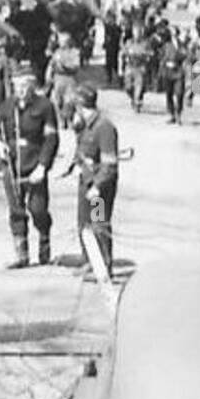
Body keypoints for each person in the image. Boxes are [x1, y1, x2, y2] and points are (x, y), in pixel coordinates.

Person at [0, 62, 60, 267]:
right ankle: (21, 254)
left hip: (35, 163)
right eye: (17, 86)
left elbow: (51, 139)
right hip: (12, 164)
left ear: (32, 86)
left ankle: (46, 239)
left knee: (38, 208)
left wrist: (43, 165)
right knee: (16, 209)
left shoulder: (44, 106)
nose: (20, 91)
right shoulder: (7, 106)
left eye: (24, 86)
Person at [71, 86, 120, 279]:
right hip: (86, 179)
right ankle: (89, 261)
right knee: (83, 222)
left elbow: (110, 164)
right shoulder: (84, 125)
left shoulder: (104, 127)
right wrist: (76, 165)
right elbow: (82, 150)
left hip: (99, 186)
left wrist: (97, 186)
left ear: (80, 106)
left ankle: (104, 266)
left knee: (98, 223)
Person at [48, 27, 82, 128]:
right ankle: (61, 120)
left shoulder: (75, 52)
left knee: (70, 101)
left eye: (63, 40)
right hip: (58, 78)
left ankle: (69, 118)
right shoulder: (57, 52)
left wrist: (65, 66)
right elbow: (52, 64)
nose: (61, 42)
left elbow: (76, 66)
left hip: (69, 78)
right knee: (57, 101)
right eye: (60, 40)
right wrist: (49, 74)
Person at [123, 25, 151, 113]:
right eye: (136, 32)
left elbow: (150, 54)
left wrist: (145, 56)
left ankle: (137, 101)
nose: (137, 34)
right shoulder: (129, 42)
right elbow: (124, 53)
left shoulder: (145, 43)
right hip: (130, 66)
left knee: (139, 86)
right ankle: (133, 97)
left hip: (140, 67)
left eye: (139, 32)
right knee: (128, 87)